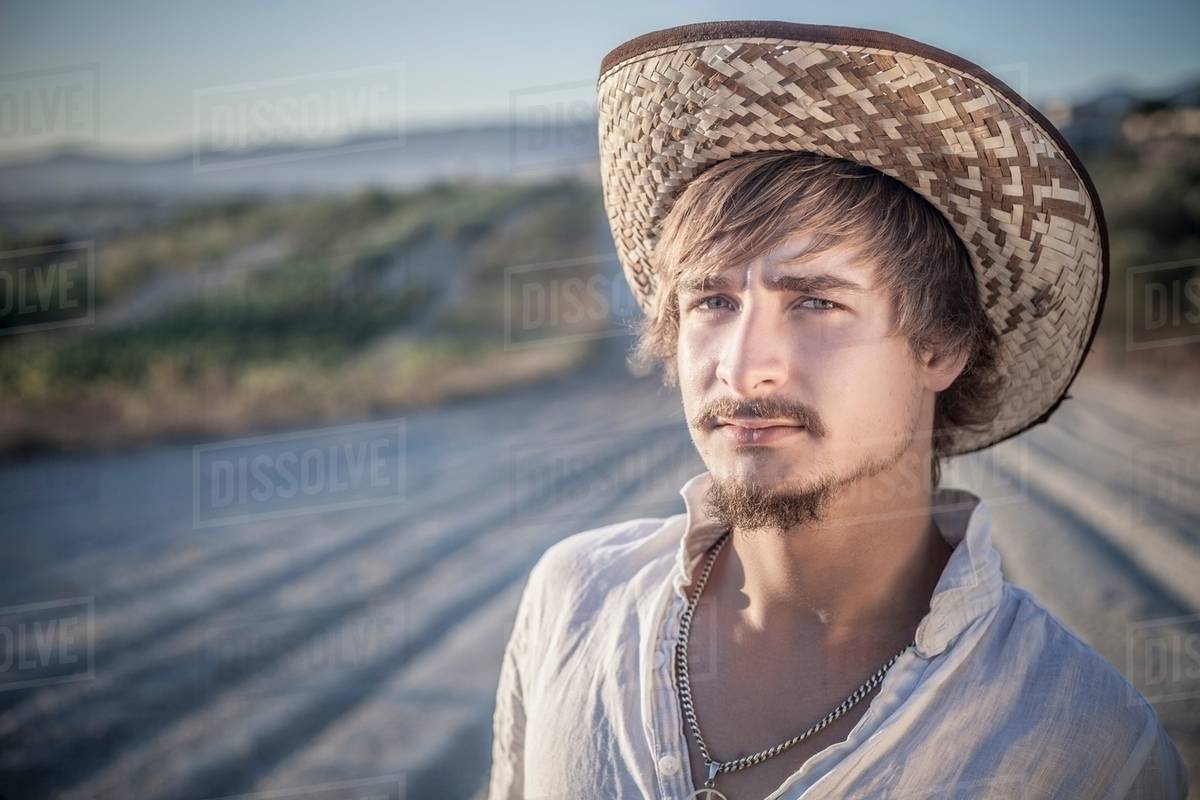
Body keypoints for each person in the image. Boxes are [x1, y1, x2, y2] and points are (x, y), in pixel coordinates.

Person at [488, 20, 1189, 799]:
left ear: (941, 347)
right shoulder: (574, 599)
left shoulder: (1087, 747)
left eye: (816, 301)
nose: (744, 366)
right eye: (713, 301)